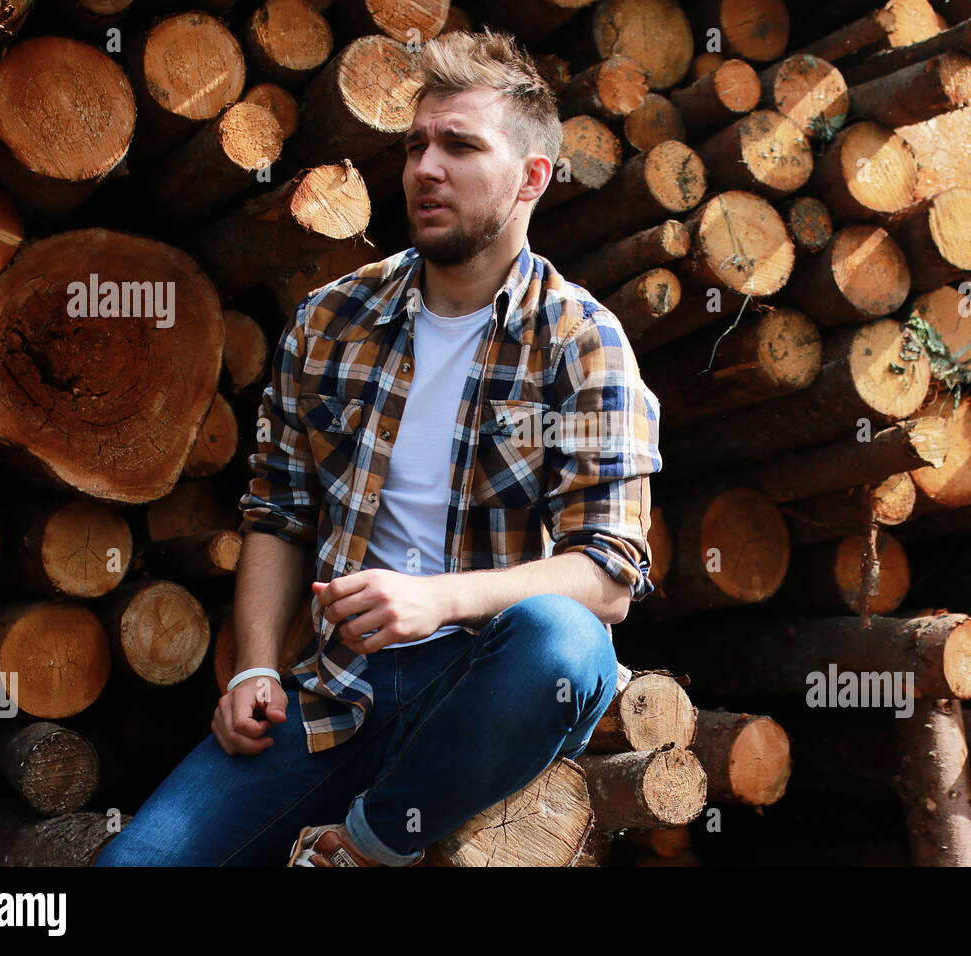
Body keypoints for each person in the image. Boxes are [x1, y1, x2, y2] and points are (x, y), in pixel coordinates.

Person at [94, 27, 661, 867]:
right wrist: (253, 669)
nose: (427, 168)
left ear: (532, 179)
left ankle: (362, 849)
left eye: (461, 146)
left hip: (486, 682)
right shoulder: (331, 319)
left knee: (563, 638)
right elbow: (277, 512)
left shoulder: (582, 342)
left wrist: (436, 601)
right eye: (416, 145)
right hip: (337, 690)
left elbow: (609, 575)